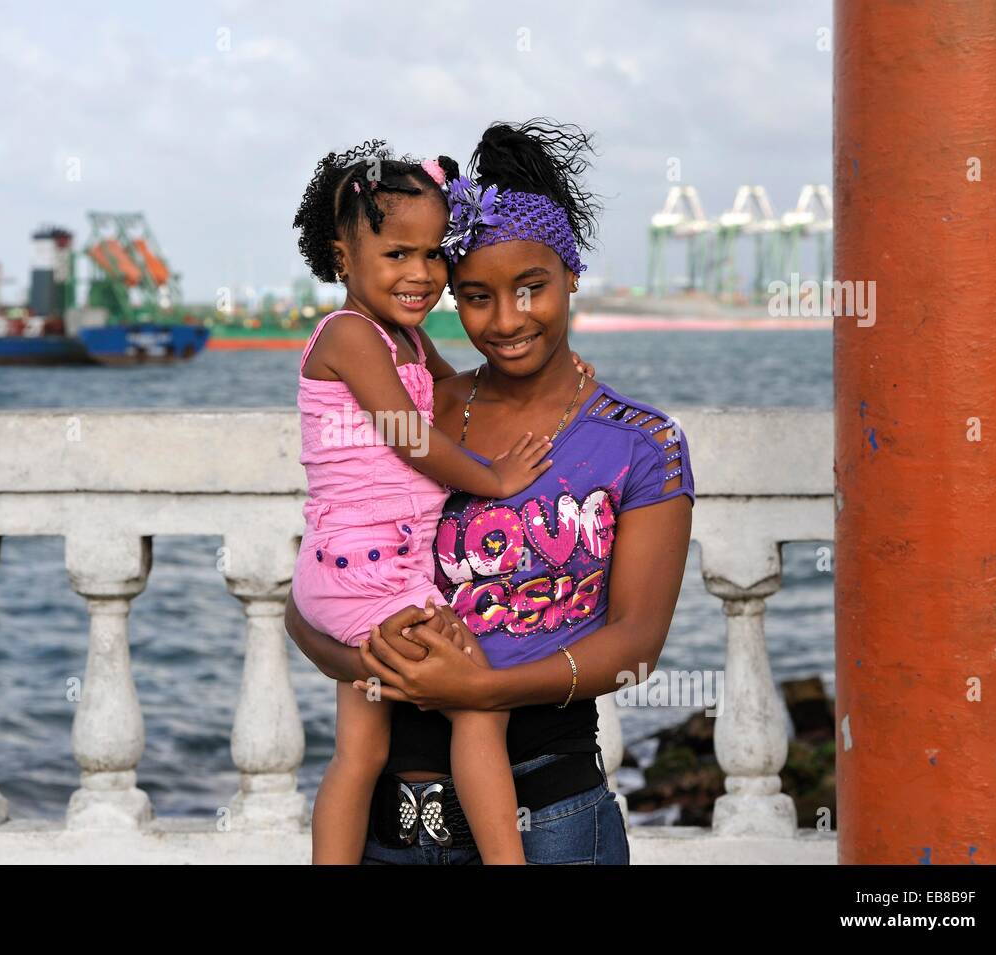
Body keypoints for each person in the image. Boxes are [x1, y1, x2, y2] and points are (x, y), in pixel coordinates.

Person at [285, 119, 695, 865]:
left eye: (532, 288)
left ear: (572, 275)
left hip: (551, 821)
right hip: (392, 832)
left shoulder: (638, 442)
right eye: (475, 296)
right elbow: (308, 599)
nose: (505, 320)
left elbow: (636, 647)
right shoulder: (419, 412)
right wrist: (377, 668)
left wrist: (480, 688)